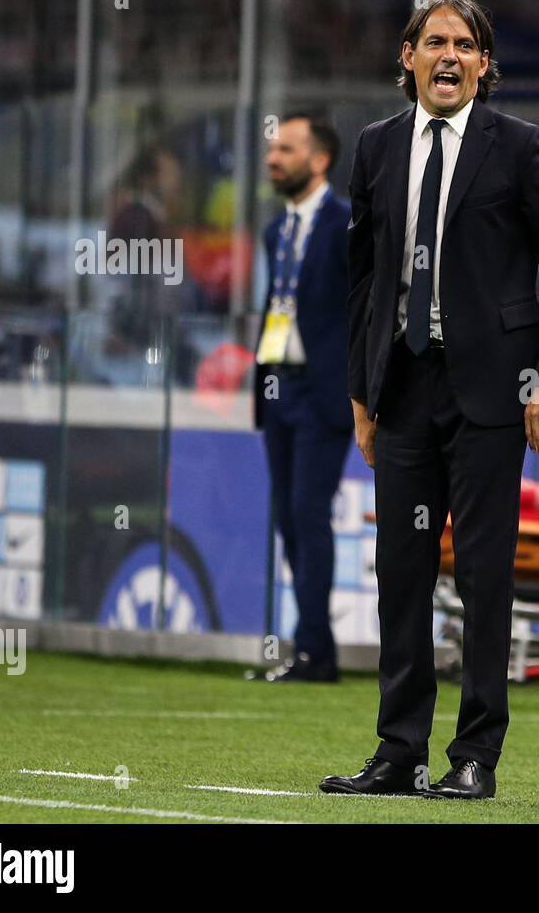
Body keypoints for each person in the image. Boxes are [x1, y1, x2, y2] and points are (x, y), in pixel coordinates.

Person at [319, 0, 539, 799]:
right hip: (404, 389)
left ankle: (474, 756)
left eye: (466, 46)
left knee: (483, 576)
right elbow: (364, 279)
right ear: (405, 57)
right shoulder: (375, 148)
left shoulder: (519, 147)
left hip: (491, 396)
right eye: (434, 42)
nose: (450, 57)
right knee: (399, 573)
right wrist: (360, 395)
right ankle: (397, 750)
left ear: (485, 65)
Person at [246, 111, 354, 683]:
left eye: (285, 149)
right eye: (272, 149)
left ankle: (315, 653)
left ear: (319, 160)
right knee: (289, 517)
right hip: (277, 385)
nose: (273, 159)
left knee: (311, 515)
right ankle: (311, 644)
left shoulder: (346, 224)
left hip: (323, 393)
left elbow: (359, 311)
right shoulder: (276, 230)